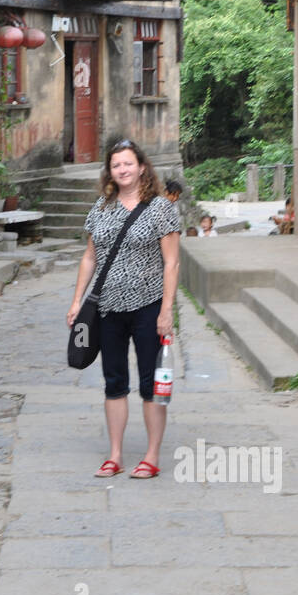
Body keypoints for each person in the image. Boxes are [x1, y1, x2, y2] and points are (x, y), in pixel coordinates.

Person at [67, 139, 181, 480]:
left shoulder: (160, 208)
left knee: (150, 383)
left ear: (142, 167)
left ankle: (151, 455)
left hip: (148, 306)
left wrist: (166, 310)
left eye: (128, 164)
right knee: (113, 381)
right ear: (110, 171)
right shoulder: (101, 208)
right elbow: (90, 256)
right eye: (117, 165)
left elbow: (172, 263)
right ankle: (115, 455)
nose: (123, 170)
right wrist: (77, 301)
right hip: (107, 308)